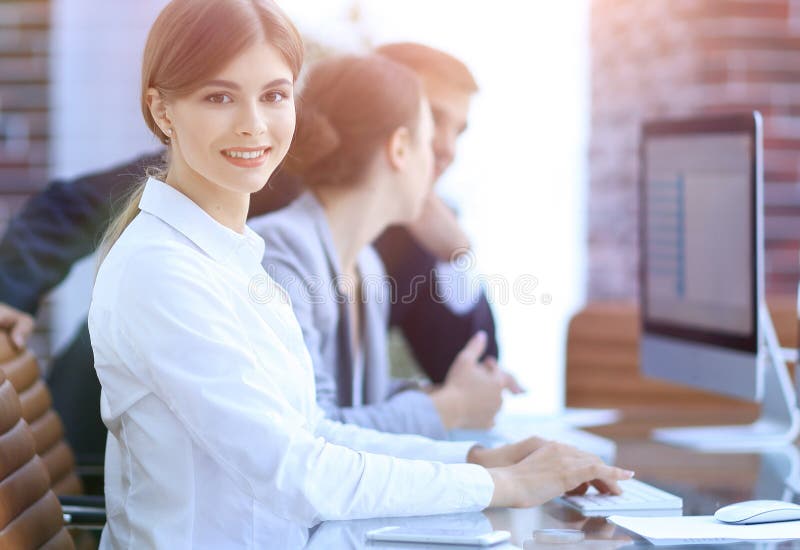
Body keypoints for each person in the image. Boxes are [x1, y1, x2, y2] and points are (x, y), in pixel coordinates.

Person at [89, 0, 632, 546]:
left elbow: (313, 432)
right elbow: (295, 473)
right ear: (162, 112)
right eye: (219, 97)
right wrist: (499, 484)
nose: (253, 124)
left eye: (274, 95)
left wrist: (478, 457)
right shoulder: (161, 272)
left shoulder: (232, 259)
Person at [0, 42, 499, 459]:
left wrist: (458, 255)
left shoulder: (404, 236)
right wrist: (11, 292)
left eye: (459, 131)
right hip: (119, 425)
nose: (446, 147)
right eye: (433, 120)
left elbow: (470, 372)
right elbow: (74, 208)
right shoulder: (243, 168)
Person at [249, 54, 515, 439]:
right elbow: (310, 435)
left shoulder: (367, 264)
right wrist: (450, 408)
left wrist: (451, 407)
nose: (444, 152)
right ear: (400, 147)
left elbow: (357, 400)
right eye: (430, 131)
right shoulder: (277, 251)